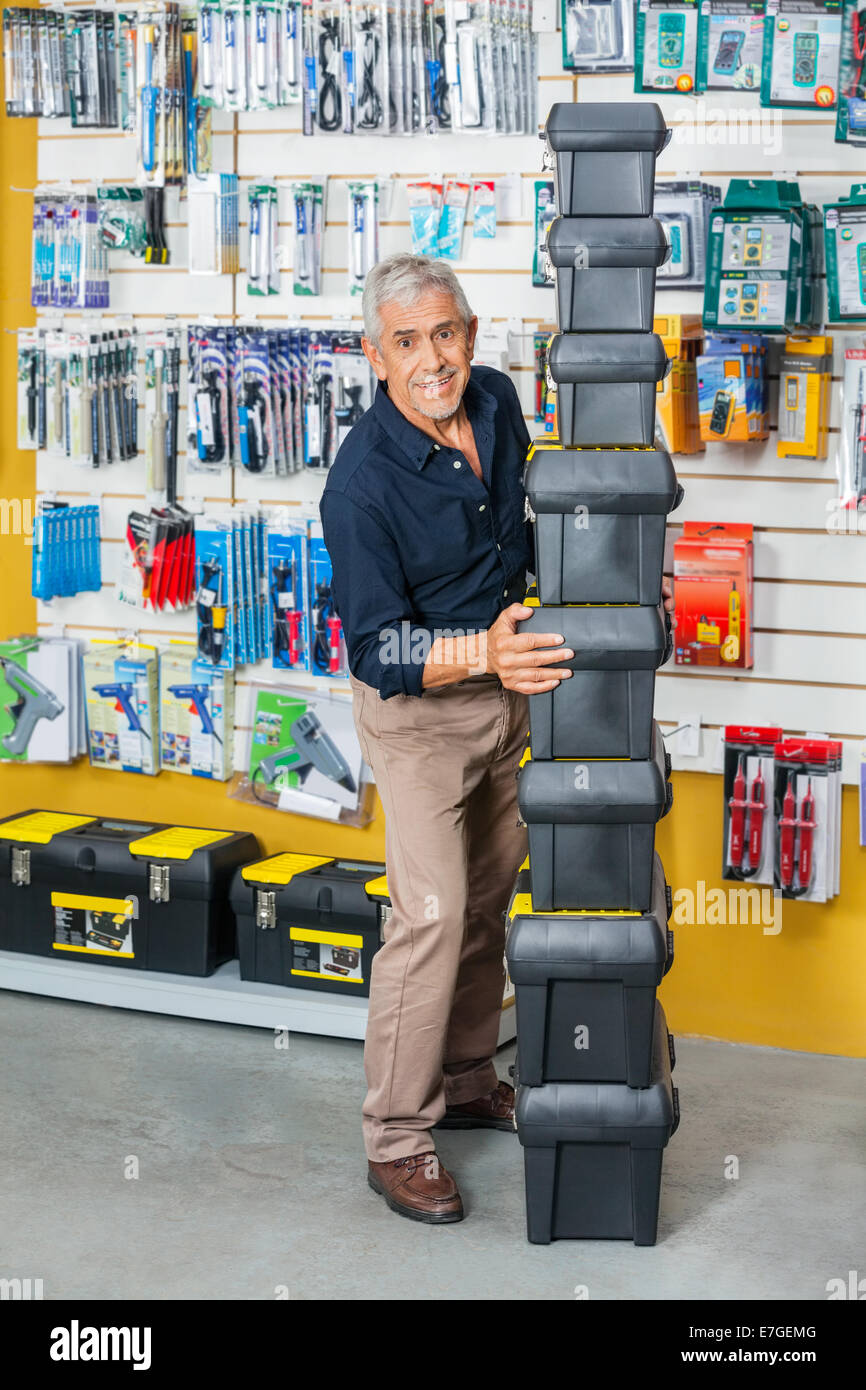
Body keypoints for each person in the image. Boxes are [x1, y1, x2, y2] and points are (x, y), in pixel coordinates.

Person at [320, 253, 674, 1225]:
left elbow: (527, 526)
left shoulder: (496, 400)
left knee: (485, 903)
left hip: (517, 696)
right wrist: (483, 649)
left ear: (469, 334)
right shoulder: (357, 486)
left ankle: (471, 1077)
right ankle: (393, 1136)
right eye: (406, 341)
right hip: (423, 719)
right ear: (373, 355)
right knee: (429, 913)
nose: (431, 357)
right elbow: (376, 646)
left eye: (444, 333)